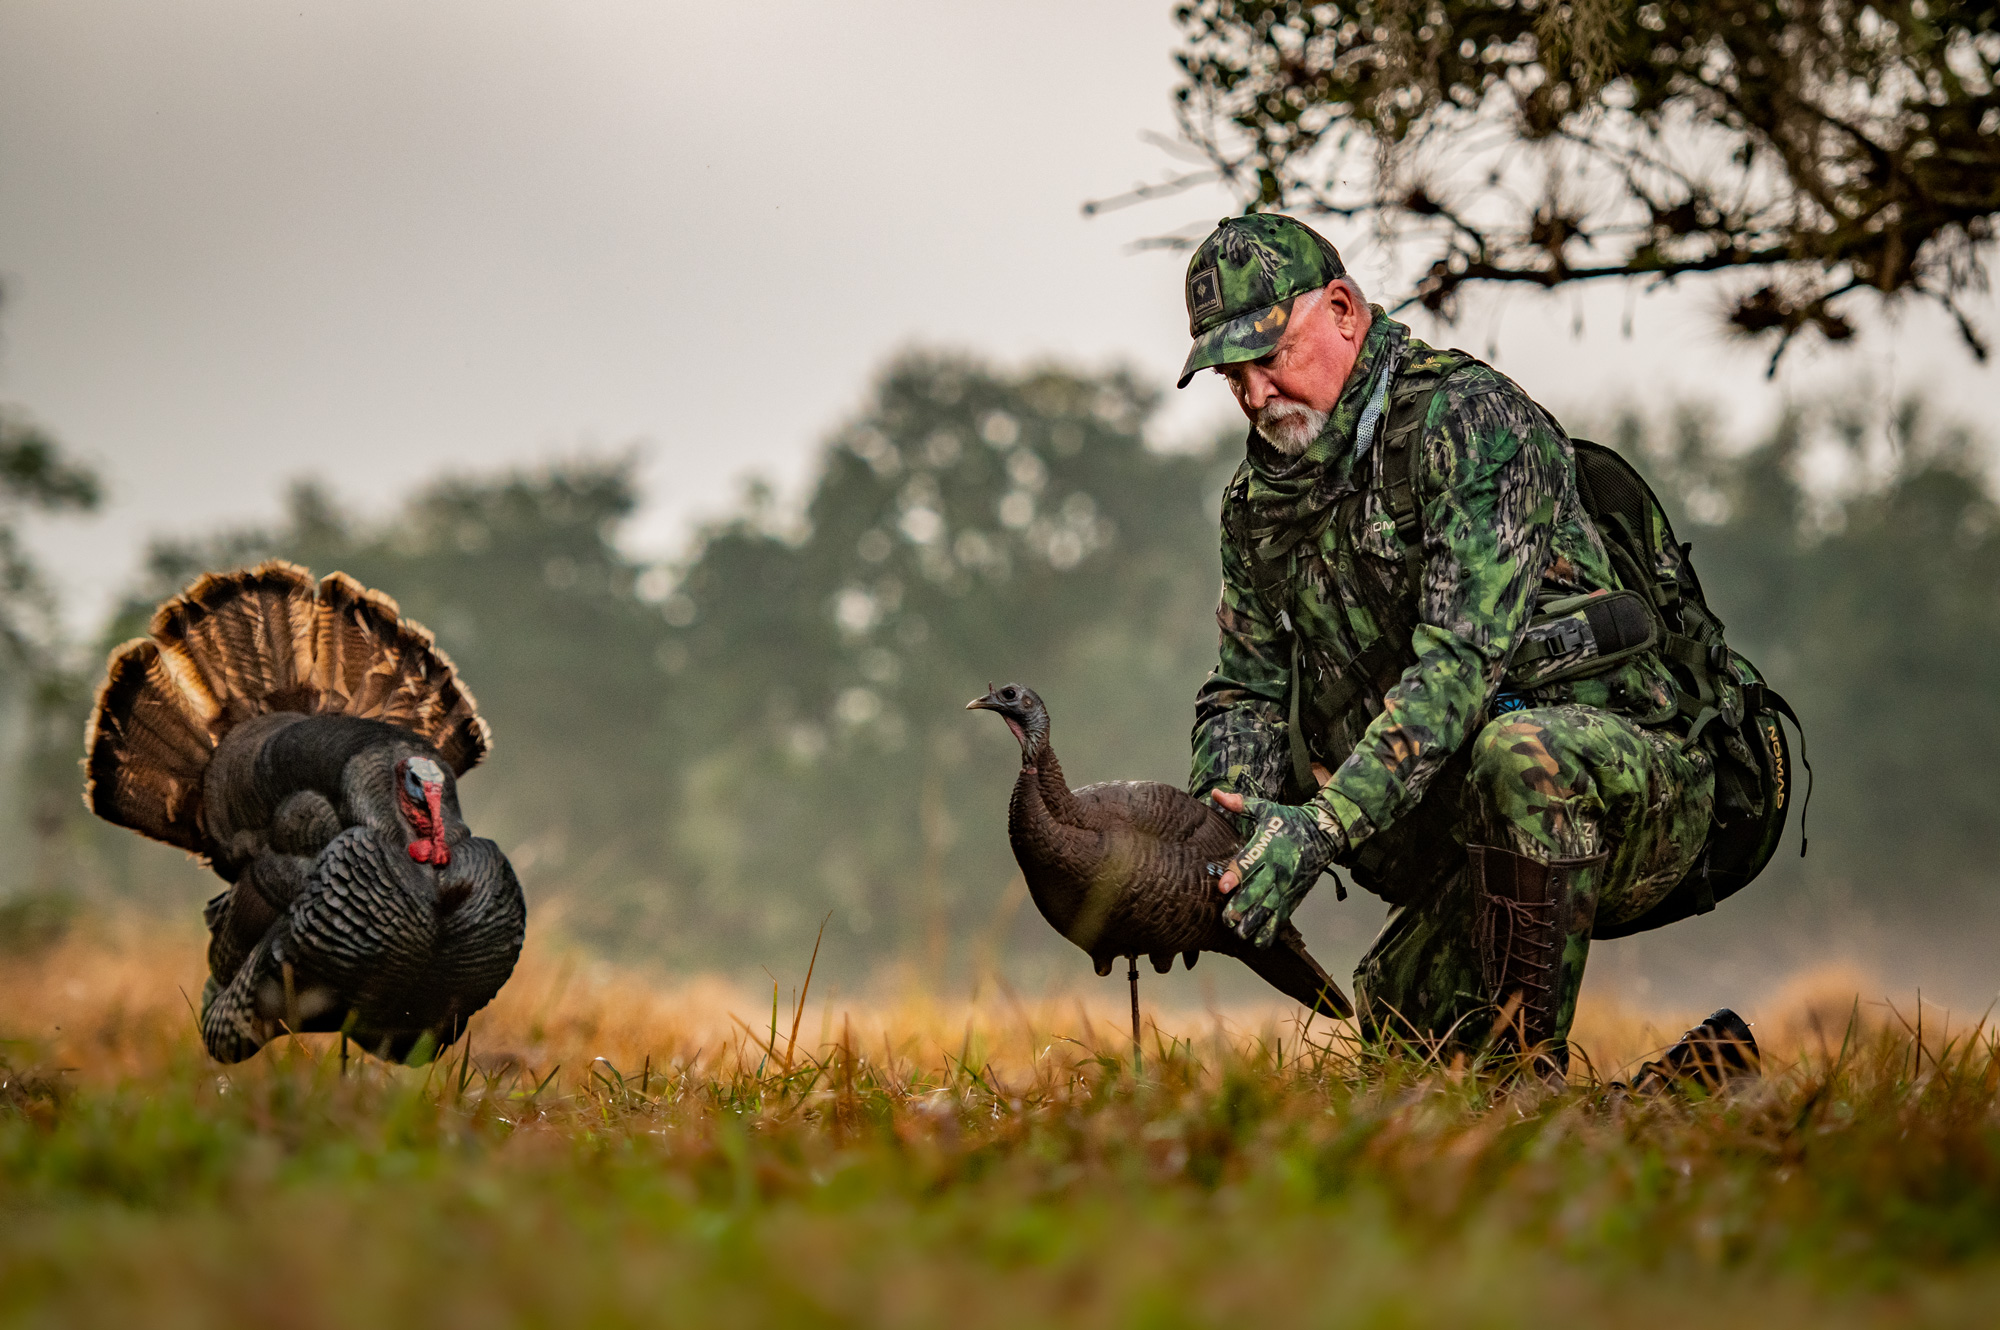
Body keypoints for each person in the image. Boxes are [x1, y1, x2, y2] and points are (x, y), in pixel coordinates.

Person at [1179, 213, 1741, 1082]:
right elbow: (1245, 689)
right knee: (1413, 1070)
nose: (1255, 394)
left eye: (1272, 355)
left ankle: (1530, 1087)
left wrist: (1320, 828)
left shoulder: (1470, 421)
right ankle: (1698, 1085)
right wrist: (1216, 847)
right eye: (1231, 375)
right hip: (1467, 828)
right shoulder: (1255, 508)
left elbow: (1458, 671)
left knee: (1522, 754)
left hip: (1633, 784)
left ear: (1343, 311)